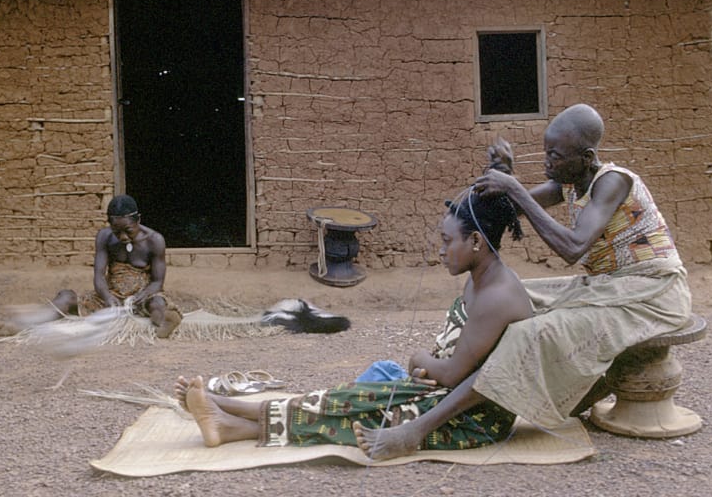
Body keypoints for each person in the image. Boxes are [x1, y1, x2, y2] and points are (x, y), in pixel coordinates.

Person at [353, 103, 693, 460]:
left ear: (587, 157)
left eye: (555, 156)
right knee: (508, 300)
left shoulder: (613, 181)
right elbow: (509, 211)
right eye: (546, 152)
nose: (548, 163)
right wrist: (502, 176)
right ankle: (457, 372)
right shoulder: (570, 184)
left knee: (529, 334)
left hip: (653, 293)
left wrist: (513, 188)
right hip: (613, 286)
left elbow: (573, 247)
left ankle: (415, 431)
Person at [174, 187, 534, 452]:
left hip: (471, 419)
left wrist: (419, 359)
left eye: (446, 241)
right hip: (444, 391)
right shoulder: (483, 279)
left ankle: (227, 409)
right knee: (360, 392)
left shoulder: (496, 297)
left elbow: (455, 374)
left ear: (475, 241)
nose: (440, 250)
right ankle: (228, 422)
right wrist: (428, 367)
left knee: (352, 407)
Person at [0, 194, 183, 339]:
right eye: (116, 231)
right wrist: (107, 297)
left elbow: (157, 282)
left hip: (142, 297)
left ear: (138, 220)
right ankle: (16, 327)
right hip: (111, 296)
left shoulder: (155, 240)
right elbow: (99, 275)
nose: (122, 237)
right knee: (66, 297)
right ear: (109, 224)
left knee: (158, 303)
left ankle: (164, 323)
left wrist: (140, 296)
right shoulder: (104, 237)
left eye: (128, 231)